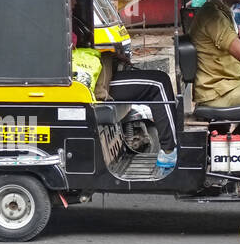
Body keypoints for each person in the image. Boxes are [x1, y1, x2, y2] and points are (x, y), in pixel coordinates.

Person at [71, 28, 179, 169]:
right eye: (71, 3)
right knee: (157, 85)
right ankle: (170, 150)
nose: (73, 4)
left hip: (105, 74)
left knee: (161, 78)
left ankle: (172, 146)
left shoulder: (75, 21)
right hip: (97, 83)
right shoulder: (61, 22)